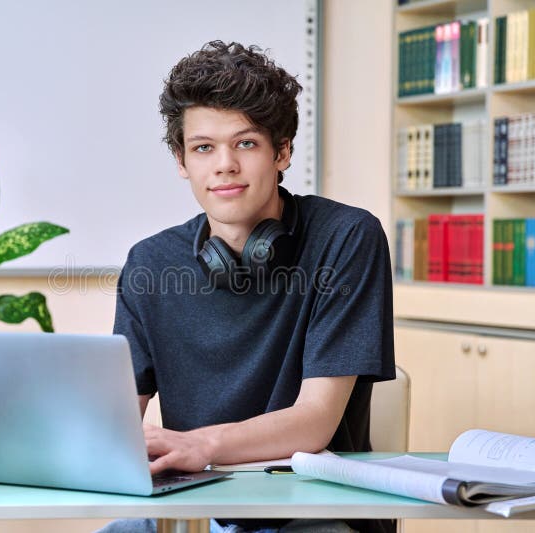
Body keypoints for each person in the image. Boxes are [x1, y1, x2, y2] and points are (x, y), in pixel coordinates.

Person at [100, 40, 395, 533]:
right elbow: (116, 423)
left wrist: (200, 445)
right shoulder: (150, 262)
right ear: (182, 160)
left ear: (282, 152)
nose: (224, 166)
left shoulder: (345, 238)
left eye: (246, 143)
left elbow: (315, 420)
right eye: (203, 148)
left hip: (306, 506)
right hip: (194, 504)